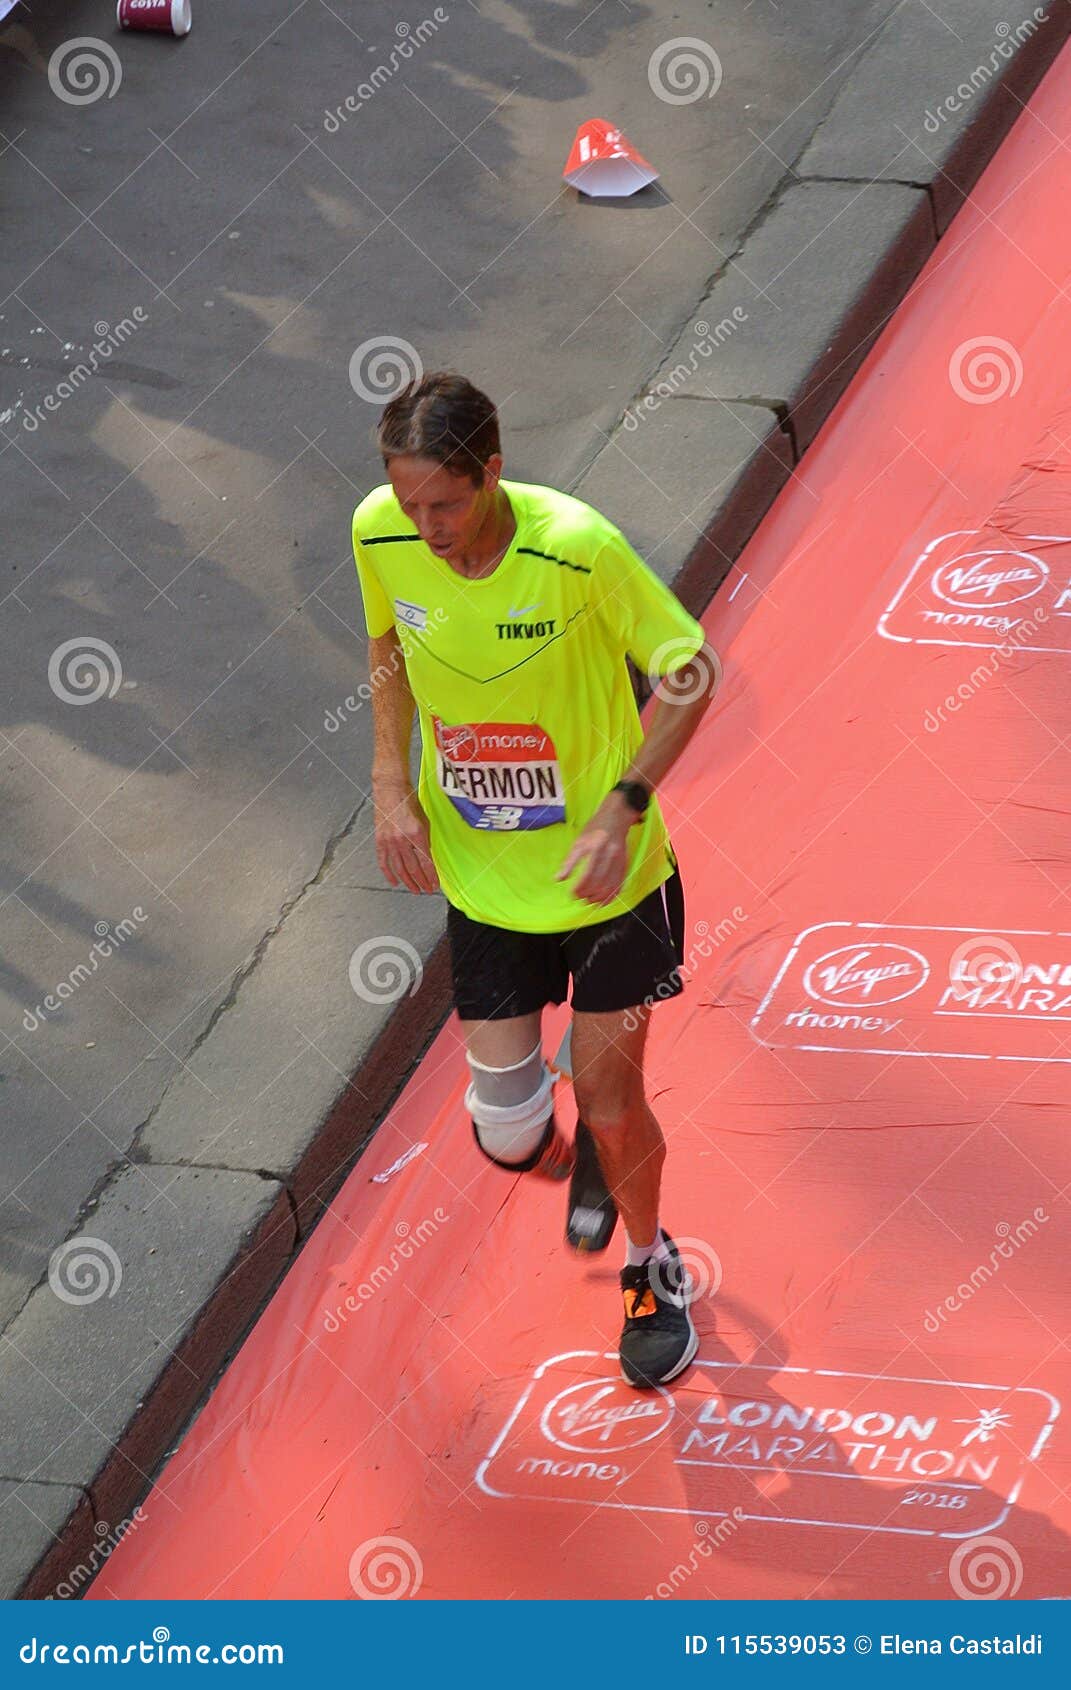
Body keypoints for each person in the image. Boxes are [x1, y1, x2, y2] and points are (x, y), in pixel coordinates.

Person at [351, 371, 721, 1388]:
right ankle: (586, 1148)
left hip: (611, 883)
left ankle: (650, 1265)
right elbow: (385, 642)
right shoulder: (378, 530)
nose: (426, 525)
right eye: (411, 501)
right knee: (509, 1135)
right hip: (486, 884)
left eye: (448, 502)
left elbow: (692, 673)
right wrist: (391, 781)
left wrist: (627, 801)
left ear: (494, 472)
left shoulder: (578, 549)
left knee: (608, 1095)